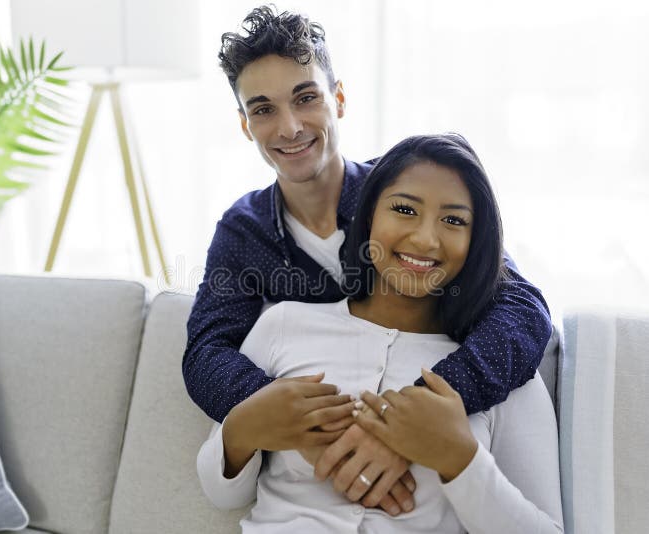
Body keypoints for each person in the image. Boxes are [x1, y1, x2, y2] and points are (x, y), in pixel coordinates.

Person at [184, 5, 552, 513]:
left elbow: (523, 309)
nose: (289, 127)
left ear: (338, 99)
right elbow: (207, 350)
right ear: (246, 125)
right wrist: (302, 427)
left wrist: (412, 418)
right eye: (263, 109)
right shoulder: (244, 229)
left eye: (306, 98)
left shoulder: (405, 201)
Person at [197, 134, 563, 533]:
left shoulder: (503, 369)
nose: (425, 238)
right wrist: (243, 427)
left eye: (454, 220)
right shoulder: (283, 326)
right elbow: (223, 495)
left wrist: (458, 458)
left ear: (476, 242)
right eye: (405, 209)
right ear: (369, 216)